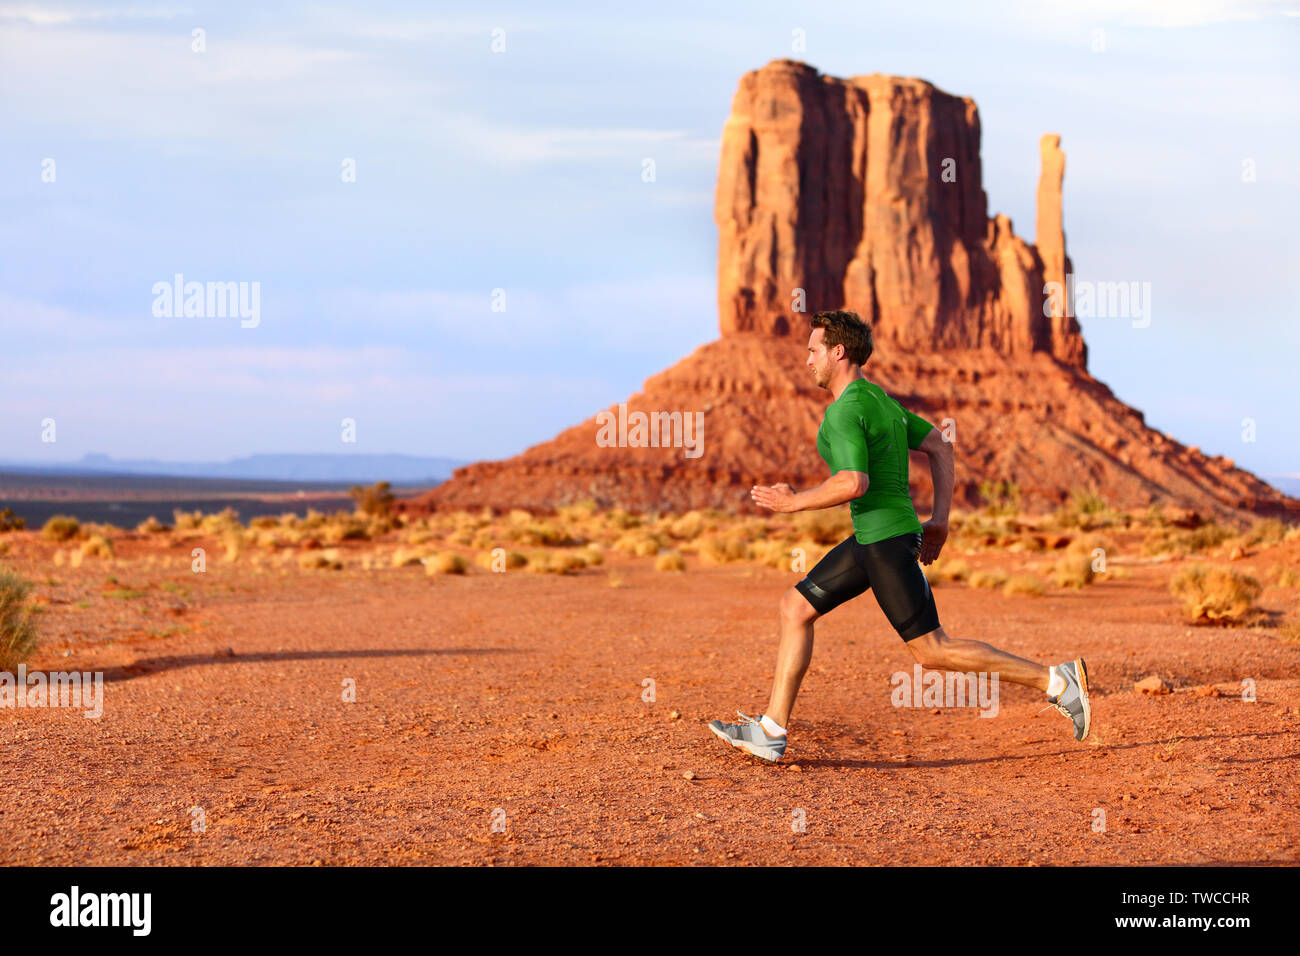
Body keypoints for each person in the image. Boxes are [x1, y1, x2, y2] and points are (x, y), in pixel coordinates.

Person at [708, 309, 1090, 763]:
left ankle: (1056, 681)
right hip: (875, 541)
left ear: (837, 351)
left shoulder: (845, 410)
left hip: (885, 544)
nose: (807, 360)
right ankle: (771, 730)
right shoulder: (881, 401)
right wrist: (940, 521)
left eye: (812, 351)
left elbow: (853, 482)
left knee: (932, 651)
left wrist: (793, 502)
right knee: (795, 607)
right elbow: (940, 446)